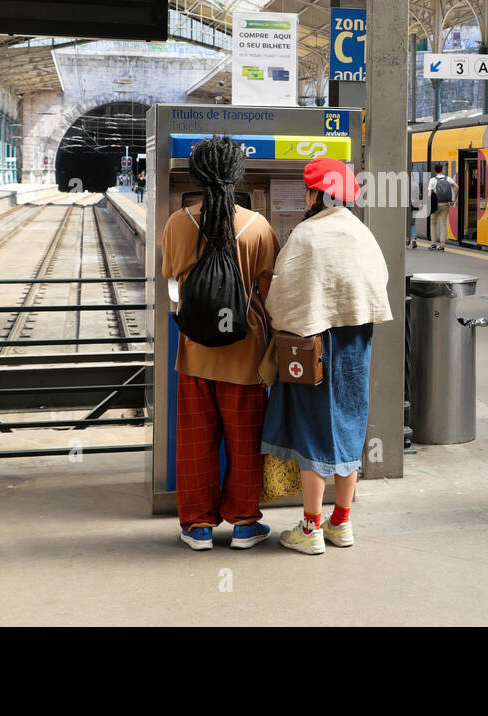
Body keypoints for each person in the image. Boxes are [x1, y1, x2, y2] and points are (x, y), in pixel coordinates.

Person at [261, 158, 393, 554]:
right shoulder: (362, 233)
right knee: (350, 423)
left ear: (317, 194)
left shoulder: (306, 235)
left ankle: (311, 527)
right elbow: (378, 284)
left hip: (312, 347)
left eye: (308, 189)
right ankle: (342, 523)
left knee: (313, 431)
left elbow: (281, 297)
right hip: (356, 347)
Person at [160, 136, 280, 550]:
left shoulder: (178, 223)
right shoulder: (258, 225)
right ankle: (245, 524)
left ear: (196, 175)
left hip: (195, 351)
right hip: (245, 352)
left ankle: (198, 527)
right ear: (238, 175)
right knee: (245, 440)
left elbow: (174, 279)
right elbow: (268, 289)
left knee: (196, 440)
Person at [428, 163, 456, 251]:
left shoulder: (432, 180)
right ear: (442, 170)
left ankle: (433, 244)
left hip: (435, 205)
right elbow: (457, 186)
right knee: (443, 224)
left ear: (435, 171)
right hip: (445, 204)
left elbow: (429, 194)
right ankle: (442, 245)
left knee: (433, 224)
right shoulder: (448, 179)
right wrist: (454, 198)